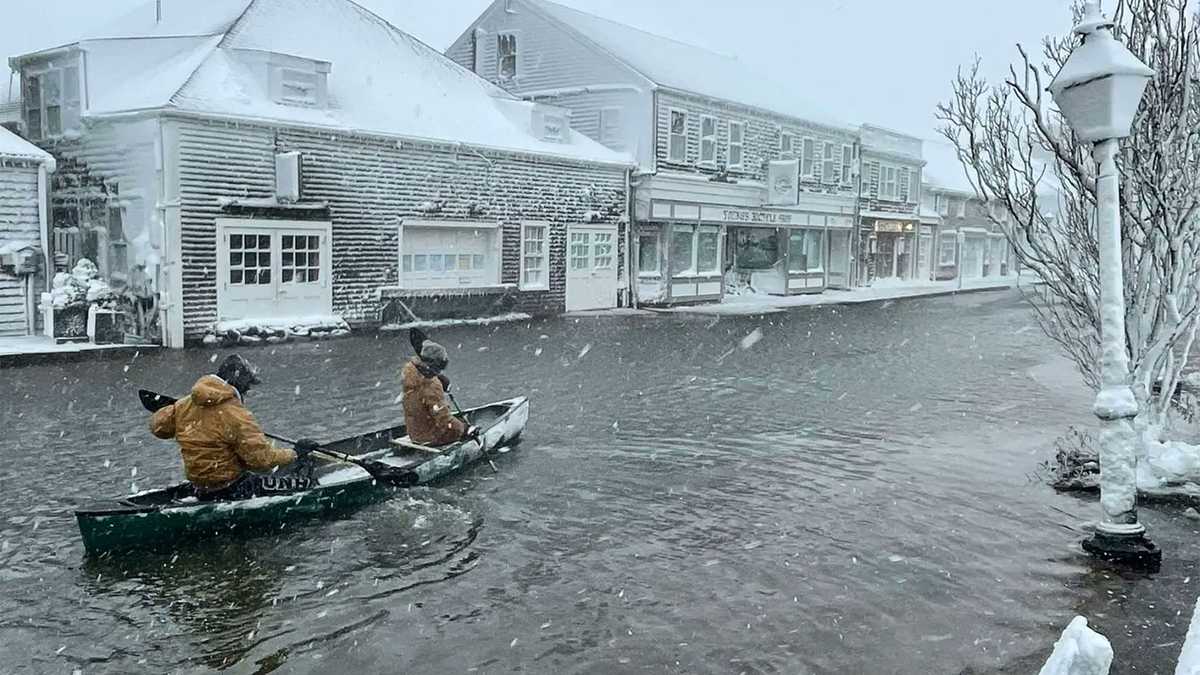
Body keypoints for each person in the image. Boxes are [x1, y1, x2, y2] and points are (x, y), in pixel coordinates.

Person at [150, 354, 319, 500]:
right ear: (239, 382)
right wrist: (295, 453)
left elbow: (159, 428)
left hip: (201, 487)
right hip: (232, 488)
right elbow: (261, 460)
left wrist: (175, 410)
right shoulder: (237, 415)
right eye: (247, 387)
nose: (247, 391)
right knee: (308, 484)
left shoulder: (184, 404)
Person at [401, 340, 477, 446]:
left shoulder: (410, 370)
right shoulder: (431, 385)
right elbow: (444, 419)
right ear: (434, 364)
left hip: (414, 432)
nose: (440, 371)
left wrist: (438, 377)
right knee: (457, 426)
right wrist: (464, 429)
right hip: (430, 437)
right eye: (440, 367)